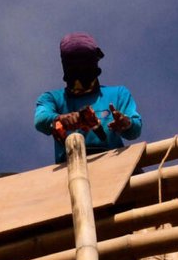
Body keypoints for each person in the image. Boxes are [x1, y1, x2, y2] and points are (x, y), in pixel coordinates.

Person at [34, 32, 142, 163]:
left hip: (114, 163)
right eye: (74, 73)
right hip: (70, 167)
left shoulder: (118, 93)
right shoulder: (51, 98)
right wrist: (60, 118)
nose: (79, 82)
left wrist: (126, 123)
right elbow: (40, 120)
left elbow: (135, 130)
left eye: (85, 72)